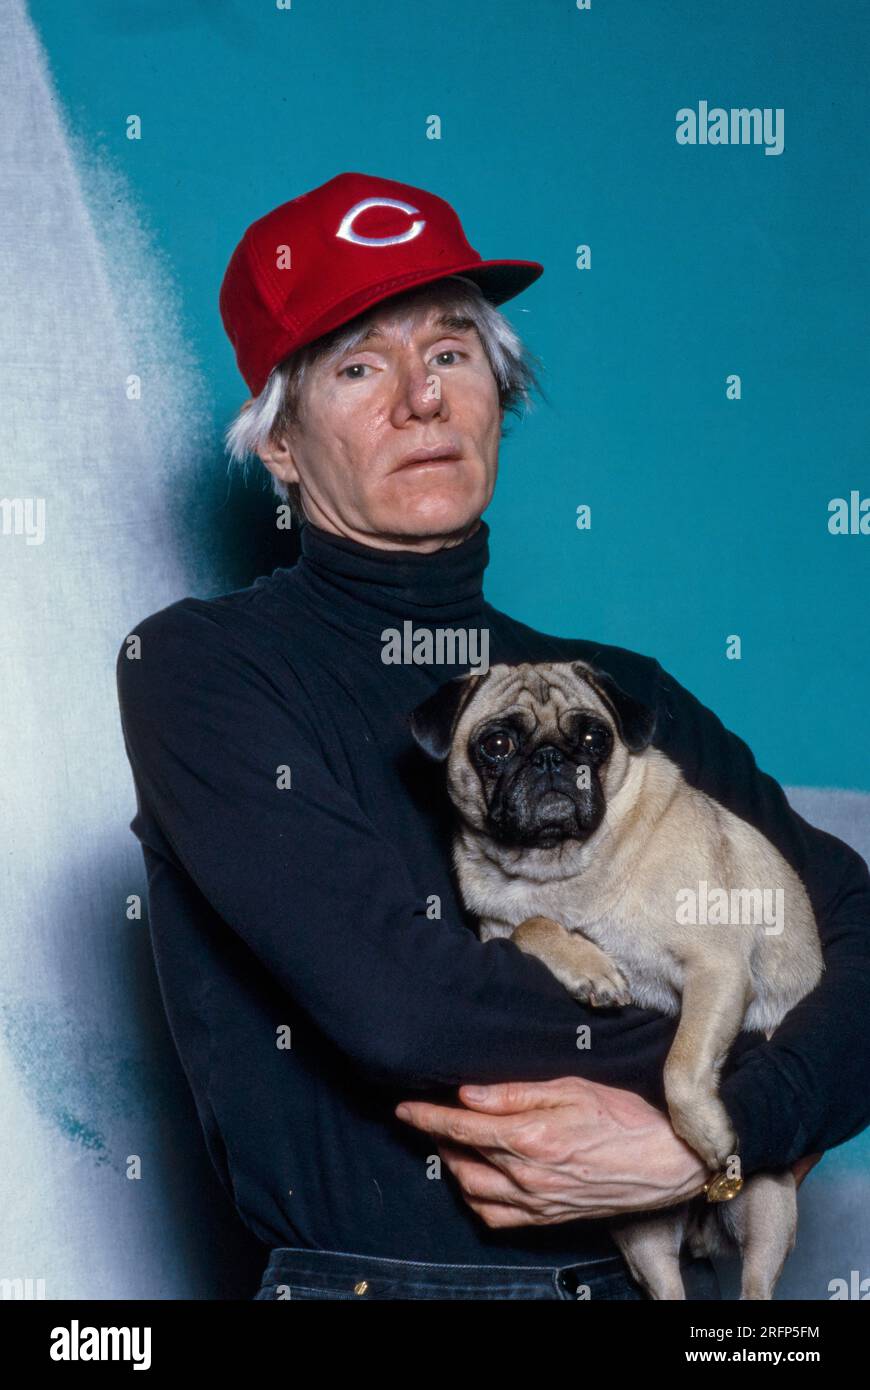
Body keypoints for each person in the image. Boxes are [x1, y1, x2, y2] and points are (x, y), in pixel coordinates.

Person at [116, 171, 867, 1301]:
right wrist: (721, 1072)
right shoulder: (203, 669)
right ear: (279, 441)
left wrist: (714, 1135)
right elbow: (407, 1006)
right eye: (360, 365)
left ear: (498, 394)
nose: (420, 399)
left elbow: (858, 931)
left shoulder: (613, 694)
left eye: (452, 352)